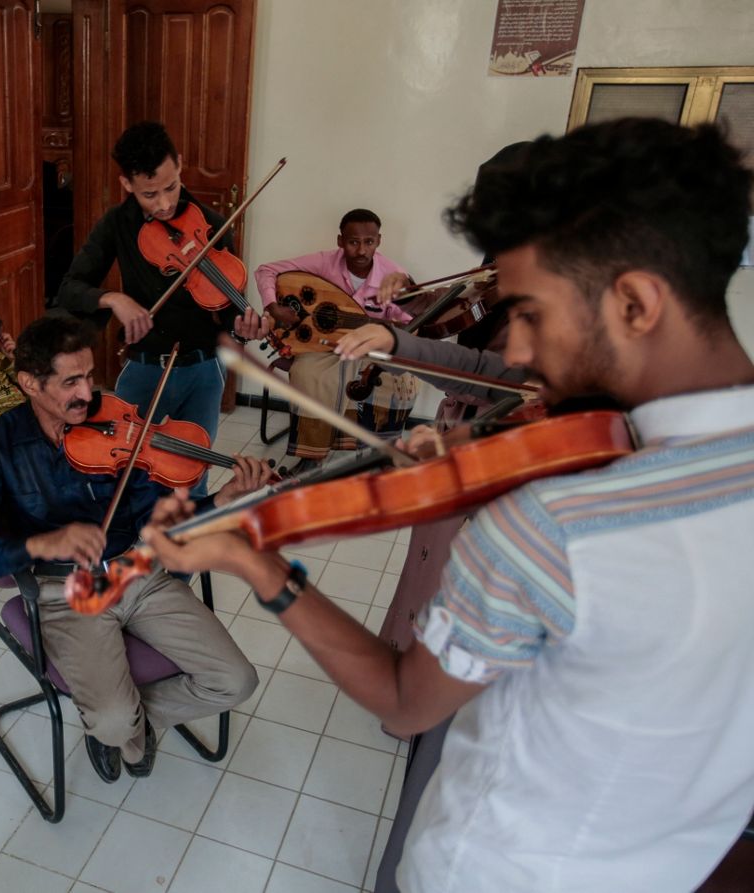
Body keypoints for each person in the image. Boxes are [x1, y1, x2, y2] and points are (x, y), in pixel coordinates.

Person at [144, 118, 754, 892]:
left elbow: (404, 702)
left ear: (634, 301)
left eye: (530, 311)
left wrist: (255, 562)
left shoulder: (557, 528)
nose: (518, 352)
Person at [0, 314, 267, 781]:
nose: (87, 394)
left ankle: (124, 731)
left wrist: (219, 501)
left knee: (237, 681)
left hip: (138, 574)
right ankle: (118, 728)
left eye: (89, 376)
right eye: (70, 382)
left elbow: (158, 519)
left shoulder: (117, 426)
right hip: (66, 595)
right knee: (114, 717)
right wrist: (43, 542)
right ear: (28, 384)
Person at [56, 121, 265, 494]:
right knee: (118, 472)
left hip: (203, 370)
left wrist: (242, 327)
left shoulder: (213, 226)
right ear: (127, 185)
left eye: (171, 187)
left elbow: (231, 312)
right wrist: (114, 299)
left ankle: (183, 546)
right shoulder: (117, 225)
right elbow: (71, 288)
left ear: (180, 164)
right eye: (150, 194)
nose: (165, 203)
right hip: (145, 367)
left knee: (191, 480)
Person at [255, 209, 419, 468]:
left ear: (379, 241)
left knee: (400, 379)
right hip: (324, 344)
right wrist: (273, 306)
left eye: (369, 242)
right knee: (307, 371)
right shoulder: (324, 262)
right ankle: (311, 455)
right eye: (354, 242)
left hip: (372, 348)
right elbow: (266, 270)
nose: (362, 250)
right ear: (341, 241)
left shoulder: (393, 276)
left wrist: (388, 332)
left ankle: (379, 453)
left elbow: (410, 324)